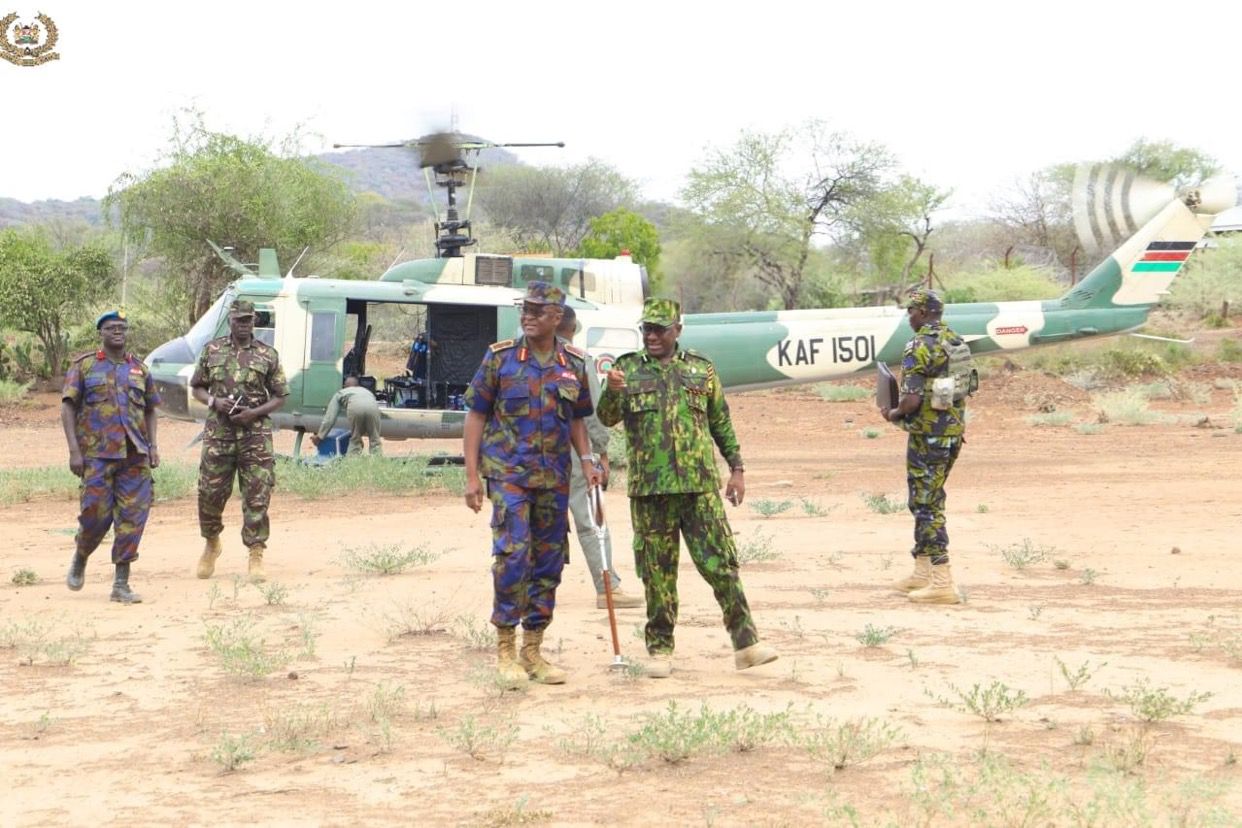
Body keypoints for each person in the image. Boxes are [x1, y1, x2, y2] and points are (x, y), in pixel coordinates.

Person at [597, 297, 778, 679]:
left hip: (698, 489)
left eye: (660, 329)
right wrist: (612, 390)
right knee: (657, 573)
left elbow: (721, 424)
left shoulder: (701, 370)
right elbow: (606, 417)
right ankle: (659, 650)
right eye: (647, 329)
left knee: (722, 566)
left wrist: (737, 470)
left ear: (677, 329)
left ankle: (746, 645)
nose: (652, 336)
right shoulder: (625, 370)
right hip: (651, 492)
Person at [463, 281, 601, 688]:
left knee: (548, 562)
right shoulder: (500, 359)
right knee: (512, 556)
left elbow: (577, 418)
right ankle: (505, 649)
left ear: (557, 318)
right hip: (509, 475)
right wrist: (472, 476)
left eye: (537, 311)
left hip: (554, 479)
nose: (528, 316)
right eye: (525, 309)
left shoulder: (573, 364)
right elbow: (475, 415)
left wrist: (589, 460)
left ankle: (533, 650)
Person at [880, 288, 974, 604]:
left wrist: (891, 413)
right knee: (924, 498)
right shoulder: (956, 340)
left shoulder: (918, 346)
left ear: (921, 313)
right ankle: (921, 573)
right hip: (951, 434)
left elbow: (910, 401)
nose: (909, 317)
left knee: (927, 504)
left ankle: (942, 581)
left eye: (911, 312)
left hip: (926, 437)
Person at [60, 310, 160, 603]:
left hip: (134, 456)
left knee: (133, 517)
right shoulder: (85, 366)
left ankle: (121, 583)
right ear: (100, 333)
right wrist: (74, 450)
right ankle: (82, 554)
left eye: (122, 328)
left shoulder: (140, 369)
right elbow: (67, 408)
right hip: (96, 456)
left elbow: (152, 408)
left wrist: (153, 446)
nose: (118, 332)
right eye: (112, 328)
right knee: (95, 515)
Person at [190, 298, 289, 583]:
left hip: (255, 436)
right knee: (209, 493)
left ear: (254, 322)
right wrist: (213, 402)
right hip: (218, 434)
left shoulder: (267, 355)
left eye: (248, 320)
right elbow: (196, 386)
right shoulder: (212, 350)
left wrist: (253, 413)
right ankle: (211, 543)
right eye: (238, 320)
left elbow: (281, 396)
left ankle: (256, 552)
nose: (243, 325)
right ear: (230, 321)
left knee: (257, 494)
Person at [554, 305, 642, 610]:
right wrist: (601, 451)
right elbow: (589, 411)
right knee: (592, 518)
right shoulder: (576, 359)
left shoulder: (518, 358)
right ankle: (608, 587)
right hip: (575, 451)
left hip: (533, 453)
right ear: (572, 328)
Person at [311, 375, 383, 456]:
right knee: (375, 439)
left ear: (344, 386)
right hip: (373, 408)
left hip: (356, 408)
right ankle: (378, 462)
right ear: (358, 385)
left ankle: (352, 463)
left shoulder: (341, 393)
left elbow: (330, 418)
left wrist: (320, 436)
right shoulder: (367, 391)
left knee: (355, 439)